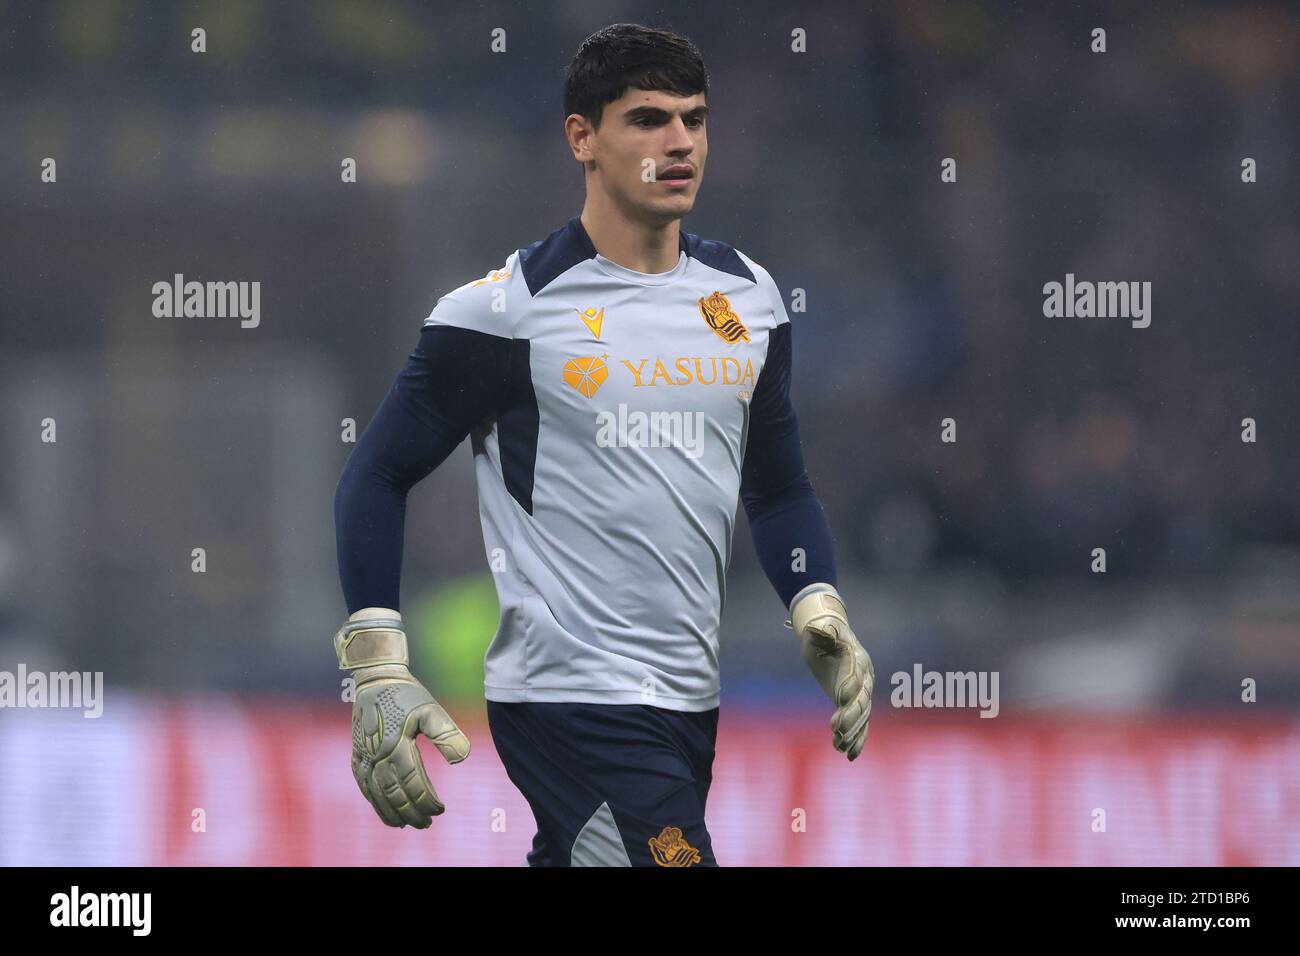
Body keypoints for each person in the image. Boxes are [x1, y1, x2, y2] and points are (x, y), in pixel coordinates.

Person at [333, 22, 874, 867]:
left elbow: (778, 489)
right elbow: (377, 473)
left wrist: (817, 605)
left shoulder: (750, 301)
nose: (680, 142)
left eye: (694, 120)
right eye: (648, 120)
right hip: (566, 698)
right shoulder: (504, 311)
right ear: (581, 138)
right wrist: (375, 664)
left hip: (688, 701)